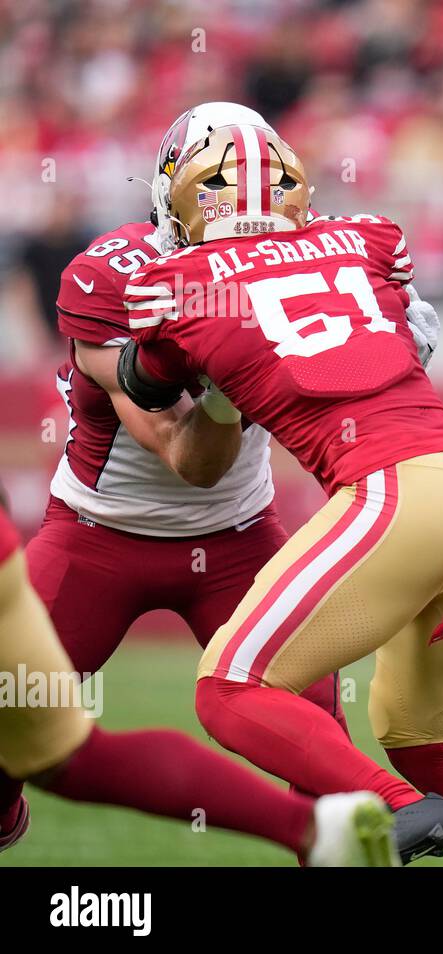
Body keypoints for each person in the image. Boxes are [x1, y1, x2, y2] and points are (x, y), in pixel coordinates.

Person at [120, 123, 443, 866]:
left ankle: (395, 810)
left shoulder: (174, 285)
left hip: (393, 490)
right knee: (429, 744)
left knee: (229, 690)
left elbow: (144, 380)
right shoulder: (363, 238)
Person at [0, 102, 363, 848]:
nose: (246, 231)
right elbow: (185, 455)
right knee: (9, 720)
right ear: (176, 199)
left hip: (238, 539)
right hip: (99, 538)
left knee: (321, 739)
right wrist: (229, 390)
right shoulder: (113, 278)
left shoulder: (303, 258)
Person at [0, 504, 395, 866]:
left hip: (238, 529)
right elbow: (183, 452)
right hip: (92, 527)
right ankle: (321, 825)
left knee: (314, 710)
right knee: (68, 757)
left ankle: (353, 818)